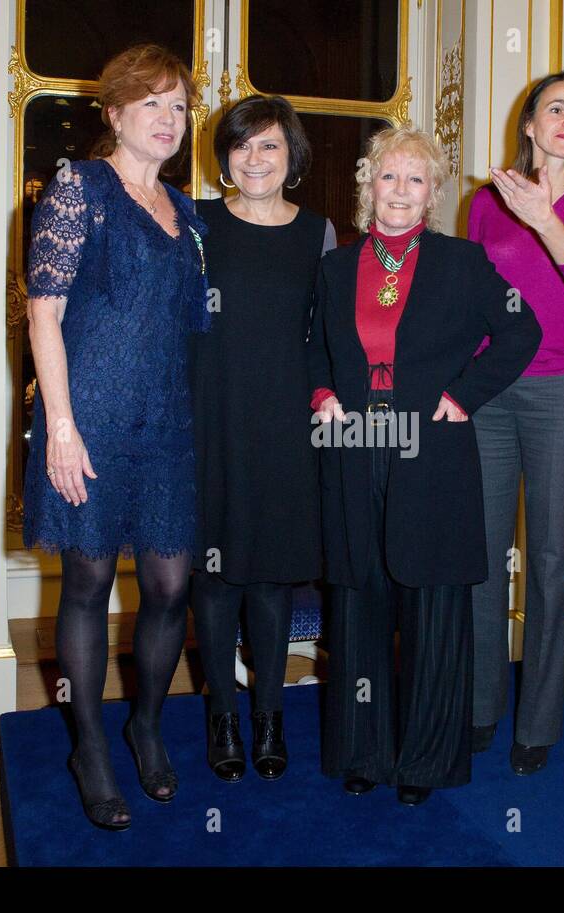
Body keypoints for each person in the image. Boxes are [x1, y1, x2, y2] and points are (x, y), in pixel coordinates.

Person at [308, 127, 542, 805]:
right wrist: (322, 394)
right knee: (360, 604)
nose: (400, 191)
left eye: (415, 180)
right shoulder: (334, 270)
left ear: (432, 193)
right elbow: (314, 349)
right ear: (367, 187)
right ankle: (363, 752)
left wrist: (463, 395)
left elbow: (521, 330)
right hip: (354, 451)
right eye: (388, 177)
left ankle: (425, 763)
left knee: (435, 610)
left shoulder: (463, 264)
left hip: (434, 455)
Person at [22, 43, 210, 829]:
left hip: (167, 419)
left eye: (179, 106)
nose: (168, 120)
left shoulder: (188, 210)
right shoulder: (79, 188)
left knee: (171, 585)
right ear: (115, 113)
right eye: (152, 104)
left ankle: (145, 722)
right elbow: (43, 313)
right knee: (90, 584)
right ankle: (90, 745)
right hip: (89, 416)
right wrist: (59, 427)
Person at [467, 72, 564, 775]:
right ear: (528, 124)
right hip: (490, 392)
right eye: (556, 108)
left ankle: (538, 723)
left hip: (563, 394)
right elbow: (470, 297)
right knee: (480, 559)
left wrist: (546, 217)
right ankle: (476, 705)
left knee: (554, 561)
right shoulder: (483, 202)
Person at [190, 95, 336, 782]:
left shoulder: (319, 234)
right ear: (225, 156)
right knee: (215, 579)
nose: (255, 158)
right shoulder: (196, 223)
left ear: (292, 157)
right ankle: (223, 717)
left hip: (285, 426)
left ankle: (270, 717)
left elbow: (325, 338)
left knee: (274, 577)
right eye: (244, 145)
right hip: (209, 419)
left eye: (270, 146)